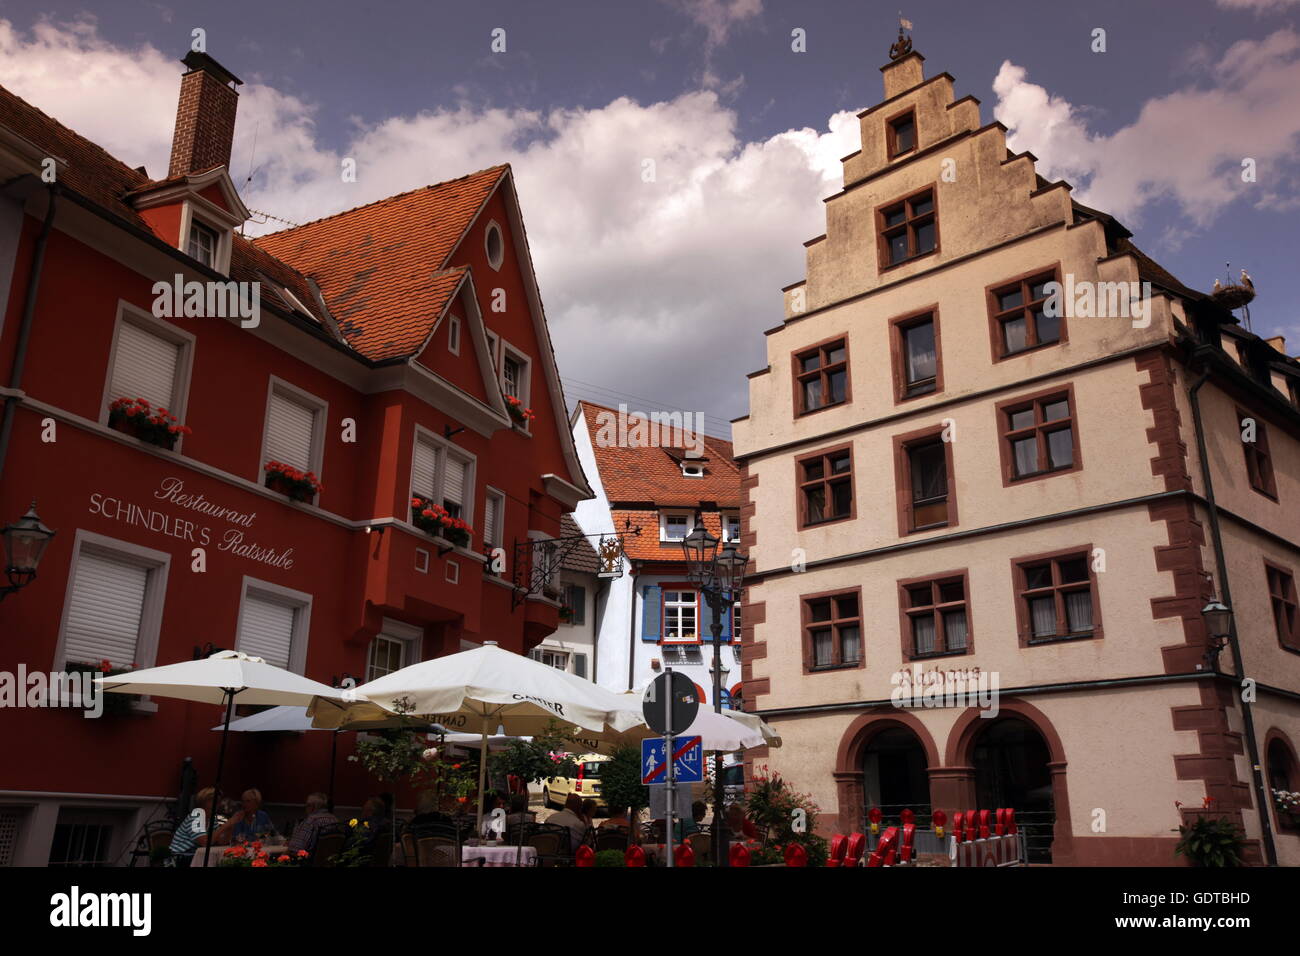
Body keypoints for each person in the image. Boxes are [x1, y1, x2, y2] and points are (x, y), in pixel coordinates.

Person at [167, 787, 216, 866]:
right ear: (204, 802)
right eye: (214, 800)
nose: (218, 803)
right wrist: (227, 825)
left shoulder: (212, 818)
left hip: (195, 856)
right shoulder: (196, 815)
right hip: (179, 857)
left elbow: (219, 841)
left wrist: (231, 826)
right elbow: (205, 842)